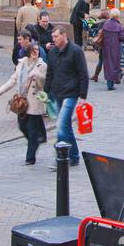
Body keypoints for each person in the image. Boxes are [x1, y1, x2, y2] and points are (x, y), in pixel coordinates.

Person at [0, 36, 48, 165]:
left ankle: (30, 157)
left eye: (37, 50)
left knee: (31, 129)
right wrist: (2, 89)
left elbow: (44, 84)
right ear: (29, 52)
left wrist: (38, 76)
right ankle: (39, 137)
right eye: (33, 50)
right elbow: (14, 79)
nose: (36, 52)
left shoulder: (42, 65)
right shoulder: (22, 64)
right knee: (22, 126)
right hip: (22, 101)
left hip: (35, 101)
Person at [46, 26, 88, 166]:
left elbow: (83, 74)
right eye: (53, 37)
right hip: (58, 92)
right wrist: (46, 92)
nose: (54, 39)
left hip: (71, 93)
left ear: (64, 36)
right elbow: (49, 73)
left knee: (61, 125)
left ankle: (61, 156)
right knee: (66, 126)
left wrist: (83, 96)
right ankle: (74, 156)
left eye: (56, 36)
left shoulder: (76, 51)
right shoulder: (52, 53)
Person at [98, 12, 124, 91]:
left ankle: (110, 83)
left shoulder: (106, 24)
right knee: (115, 65)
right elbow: (123, 37)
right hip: (115, 48)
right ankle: (112, 83)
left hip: (106, 47)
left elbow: (102, 35)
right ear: (117, 16)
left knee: (107, 65)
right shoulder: (118, 26)